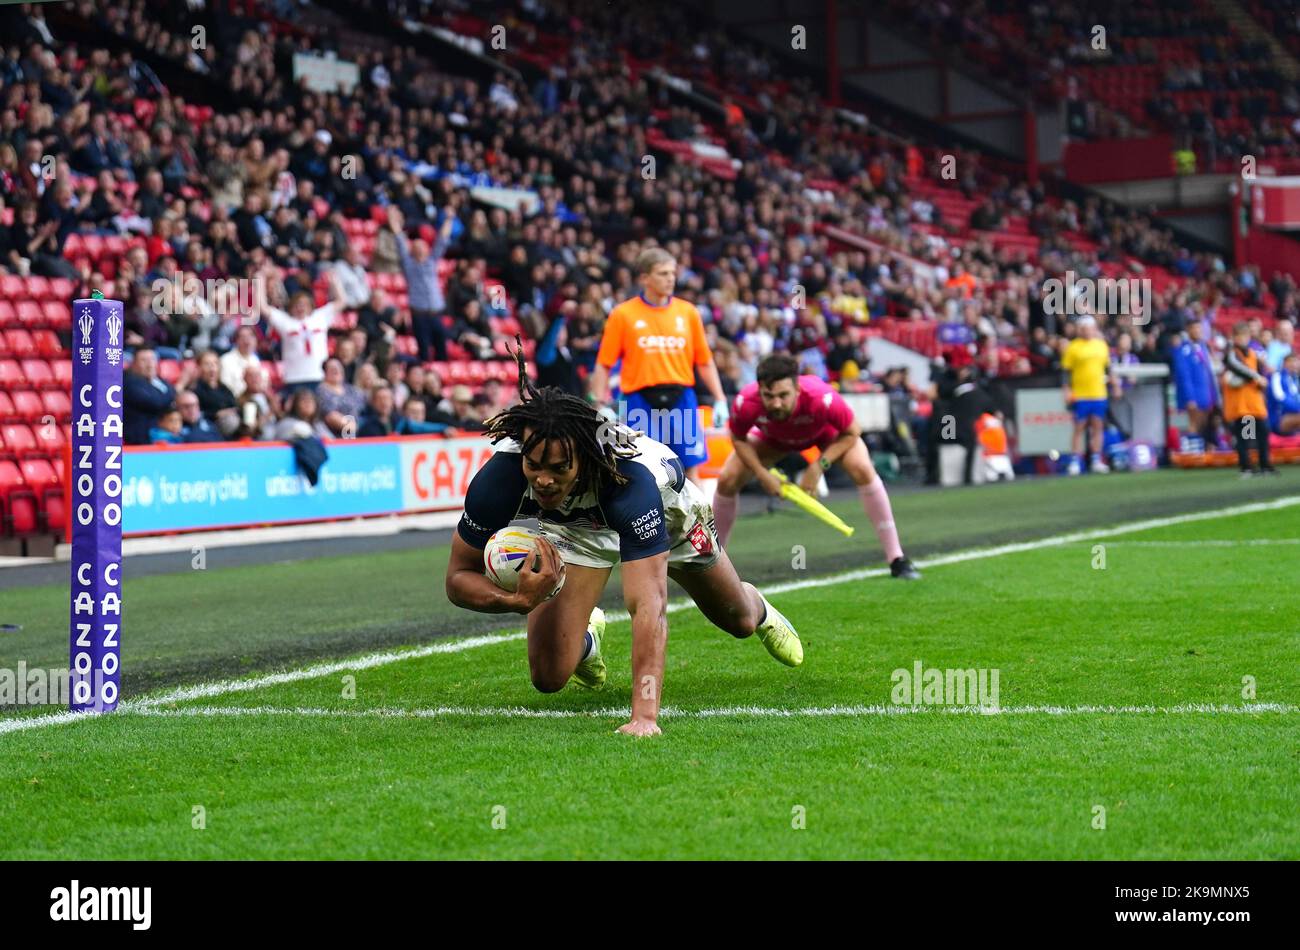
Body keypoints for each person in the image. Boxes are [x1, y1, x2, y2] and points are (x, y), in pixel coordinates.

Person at [446, 354, 804, 738]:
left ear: (582, 460)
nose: (543, 481)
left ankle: (759, 606)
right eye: (534, 466)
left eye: (558, 469)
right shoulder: (499, 479)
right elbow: (457, 578)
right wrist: (515, 602)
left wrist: (644, 716)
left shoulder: (629, 485)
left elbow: (648, 605)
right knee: (548, 677)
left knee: (738, 621)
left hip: (668, 516)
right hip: (579, 529)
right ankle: (588, 639)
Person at [715, 354, 920, 580]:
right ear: (759, 390)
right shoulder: (747, 402)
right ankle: (714, 562)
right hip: (772, 440)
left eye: (783, 395)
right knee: (727, 478)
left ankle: (896, 558)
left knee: (861, 467)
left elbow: (853, 431)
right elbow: (738, 438)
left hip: (824, 436)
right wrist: (762, 474)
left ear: (798, 390)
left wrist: (818, 467)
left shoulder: (822, 397)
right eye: (769, 396)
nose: (776, 404)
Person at [588, 247, 727, 485]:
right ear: (644, 277)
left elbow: (704, 361)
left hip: (682, 399)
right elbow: (603, 364)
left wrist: (721, 399)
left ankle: (700, 524)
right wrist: (599, 403)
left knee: (691, 471)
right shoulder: (623, 314)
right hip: (638, 401)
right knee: (642, 470)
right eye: (663, 273)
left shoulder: (688, 313)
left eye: (672, 273)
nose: (670, 278)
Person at [256, 272, 345, 396]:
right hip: (294, 377)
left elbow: (341, 302)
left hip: (319, 375)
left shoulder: (320, 317)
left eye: (304, 304)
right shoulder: (285, 321)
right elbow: (263, 307)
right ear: (291, 307)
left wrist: (334, 282)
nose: (301, 307)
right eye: (297, 304)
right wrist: (260, 280)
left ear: (311, 306)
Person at [390, 205, 454, 361]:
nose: (420, 249)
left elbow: (442, 240)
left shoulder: (432, 261)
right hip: (419, 315)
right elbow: (399, 239)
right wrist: (392, 218)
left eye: (422, 247)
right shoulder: (408, 264)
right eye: (416, 247)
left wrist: (449, 219)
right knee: (423, 350)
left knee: (442, 348)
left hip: (436, 313)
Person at [1223, 321, 1275, 476]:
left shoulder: (1252, 353)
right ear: (1234, 337)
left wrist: (1260, 381)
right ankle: (1247, 466)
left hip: (1255, 403)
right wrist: (1257, 378)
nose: (1243, 339)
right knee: (1246, 436)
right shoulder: (1232, 354)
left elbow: (1259, 372)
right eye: (1240, 336)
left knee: (1263, 433)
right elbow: (1239, 369)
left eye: (1245, 336)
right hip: (1242, 405)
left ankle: (1265, 465)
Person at [1060, 315, 1111, 474]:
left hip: (1098, 393)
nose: (1088, 331)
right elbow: (1066, 371)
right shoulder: (1073, 347)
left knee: (1097, 426)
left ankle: (1096, 459)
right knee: (1079, 427)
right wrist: (1067, 390)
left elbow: (1107, 368)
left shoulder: (1102, 345)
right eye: (1085, 328)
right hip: (1081, 394)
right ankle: (1075, 460)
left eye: (1091, 328)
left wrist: (1113, 384)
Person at [1172, 318, 1219, 438]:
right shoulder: (1183, 350)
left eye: (1200, 328)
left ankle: (1201, 452)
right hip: (1194, 397)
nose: (1198, 331)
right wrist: (1190, 398)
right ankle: (1191, 453)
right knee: (1193, 426)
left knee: (1204, 427)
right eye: (1195, 328)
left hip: (1206, 395)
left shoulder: (1202, 347)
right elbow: (1184, 376)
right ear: (1188, 330)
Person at [123, 347, 177, 445]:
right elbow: (155, 402)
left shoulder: (159, 381)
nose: (150, 364)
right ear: (134, 364)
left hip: (162, 437)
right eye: (144, 360)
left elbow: (172, 392)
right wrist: (170, 397)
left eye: (152, 359)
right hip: (139, 441)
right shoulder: (129, 382)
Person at [220, 325, 262, 398]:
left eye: (251, 336)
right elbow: (226, 388)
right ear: (236, 341)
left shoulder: (255, 359)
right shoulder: (226, 360)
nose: (247, 341)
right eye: (242, 337)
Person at [1267, 352, 1300, 436]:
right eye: (1291, 362)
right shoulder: (1277, 376)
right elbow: (1280, 398)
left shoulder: (1292, 380)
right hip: (1278, 419)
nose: (1294, 364)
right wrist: (1298, 408)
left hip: (1292, 416)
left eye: (1296, 362)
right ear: (1284, 363)